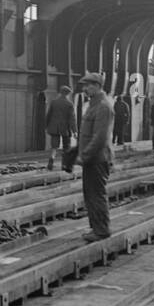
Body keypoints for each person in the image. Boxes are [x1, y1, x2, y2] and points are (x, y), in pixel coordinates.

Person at [76, 73, 114, 241]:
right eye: (84, 86)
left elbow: (99, 137)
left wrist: (84, 155)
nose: (85, 89)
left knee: (96, 194)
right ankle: (96, 228)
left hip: (97, 158)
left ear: (98, 86)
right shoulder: (93, 105)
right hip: (92, 158)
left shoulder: (103, 106)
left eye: (89, 85)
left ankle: (101, 230)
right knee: (90, 194)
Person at [44, 84, 76, 170]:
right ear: (68, 94)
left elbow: (48, 115)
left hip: (54, 127)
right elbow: (72, 119)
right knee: (66, 147)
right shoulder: (69, 104)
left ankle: (51, 161)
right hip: (65, 128)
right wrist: (74, 131)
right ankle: (64, 165)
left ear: (60, 93)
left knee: (54, 146)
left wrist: (46, 126)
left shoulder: (54, 102)